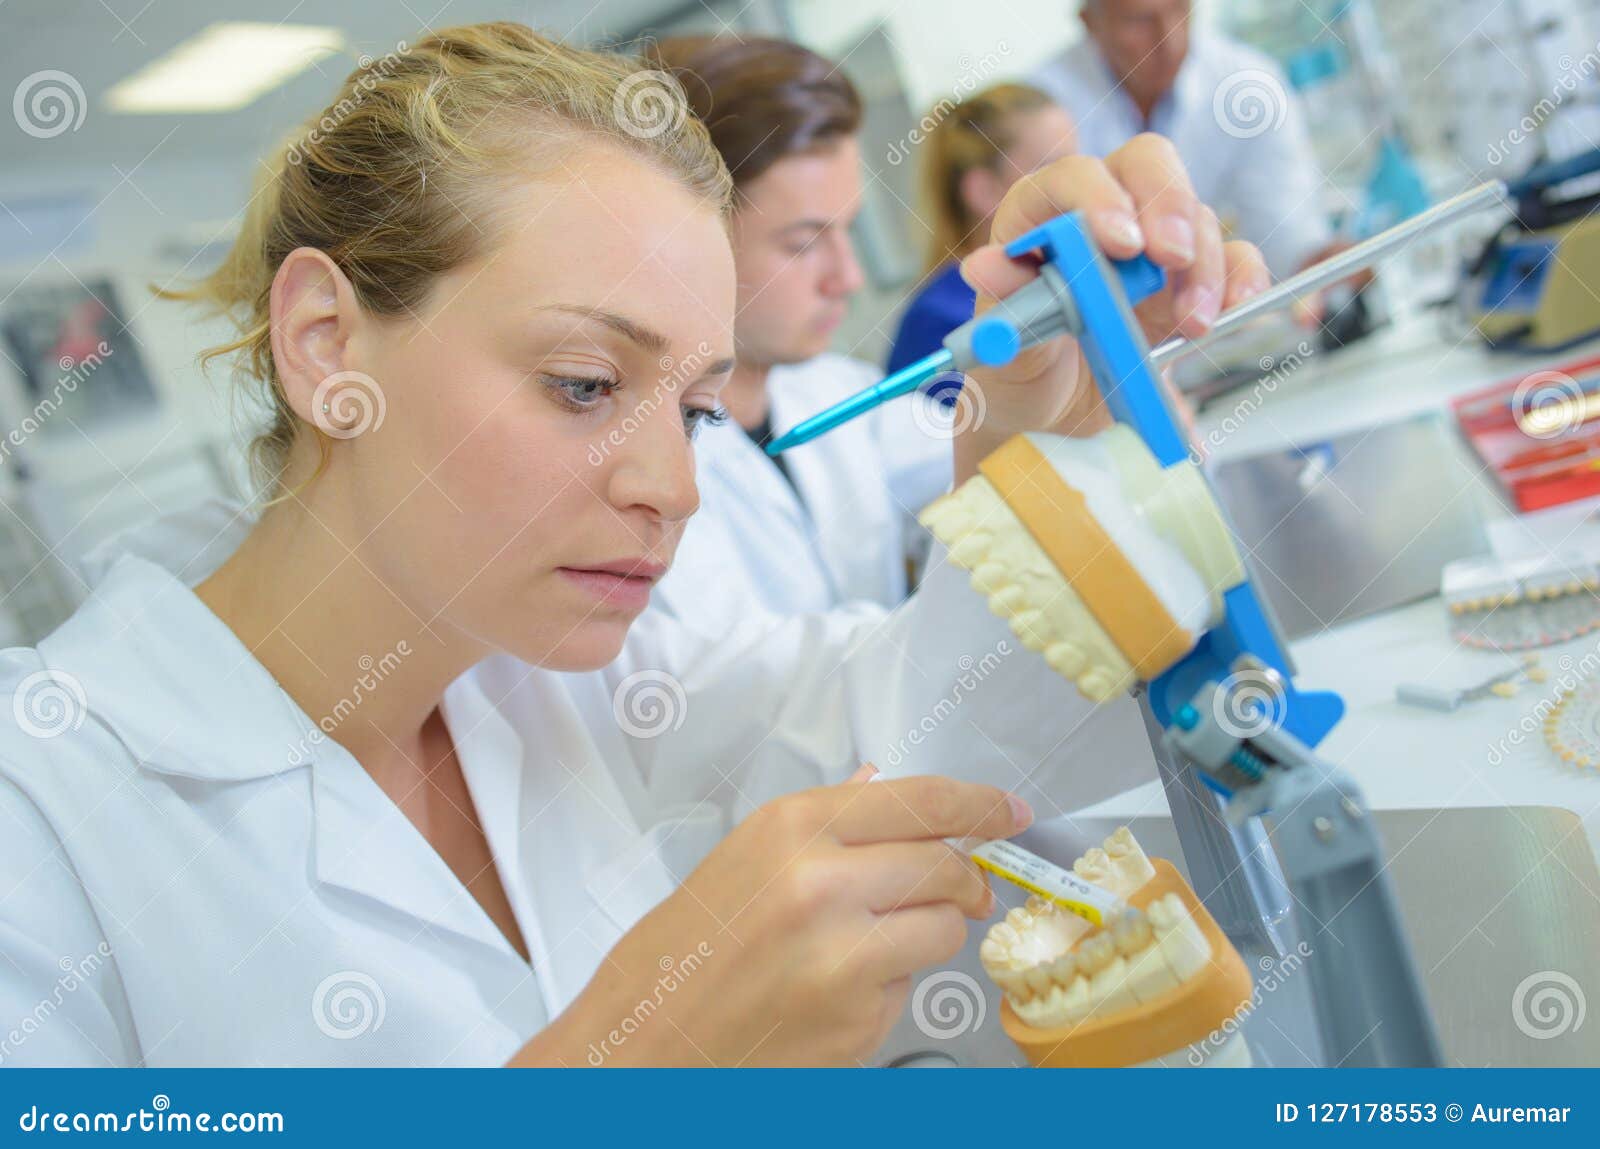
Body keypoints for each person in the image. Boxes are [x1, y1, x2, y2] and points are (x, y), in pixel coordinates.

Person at [0, 23, 1268, 1066]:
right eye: (585, 383)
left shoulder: (566, 671)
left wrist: (1041, 431)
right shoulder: (43, 820)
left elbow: (924, 728)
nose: (676, 488)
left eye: (701, 410)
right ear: (329, 345)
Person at [642, 36, 951, 632]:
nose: (848, 278)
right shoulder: (632, 466)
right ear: (689, 241)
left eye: (848, 232)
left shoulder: (836, 389)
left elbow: (982, 467)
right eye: (805, 243)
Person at [1031, 0, 1344, 283]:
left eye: (1180, 9)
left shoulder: (1249, 87)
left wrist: (1320, 267)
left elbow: (1285, 234)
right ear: (1091, 23)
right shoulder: (1038, 111)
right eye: (1139, 21)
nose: (1170, 39)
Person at [887, 83, 1078, 376]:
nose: (1081, 187)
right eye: (1053, 170)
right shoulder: (938, 323)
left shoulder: (1056, 280)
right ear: (985, 191)